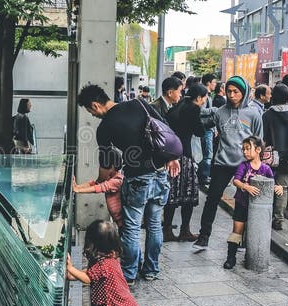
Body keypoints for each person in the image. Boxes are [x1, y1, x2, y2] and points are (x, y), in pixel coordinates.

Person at [77, 83, 180, 283]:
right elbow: (164, 128)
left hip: (137, 177)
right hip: (160, 173)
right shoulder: (139, 104)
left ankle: (130, 274)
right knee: (154, 224)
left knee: (132, 227)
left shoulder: (105, 127)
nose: (93, 114)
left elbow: (106, 164)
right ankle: (151, 270)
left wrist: (99, 181)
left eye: (90, 111)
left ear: (96, 105)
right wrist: (172, 157)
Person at [193, 76, 263, 250]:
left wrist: (256, 164)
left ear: (244, 92)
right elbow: (203, 125)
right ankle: (204, 236)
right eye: (229, 91)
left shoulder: (254, 114)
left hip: (245, 164)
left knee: (245, 201)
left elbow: (259, 140)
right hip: (222, 163)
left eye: (236, 92)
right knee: (212, 198)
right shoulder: (220, 112)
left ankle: (243, 239)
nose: (231, 95)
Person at [223, 136, 280, 269]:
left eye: (248, 149)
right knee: (237, 231)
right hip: (241, 203)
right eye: (243, 149)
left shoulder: (266, 169)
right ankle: (231, 257)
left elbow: (272, 183)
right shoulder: (244, 165)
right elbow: (235, 180)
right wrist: (246, 186)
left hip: (258, 209)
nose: (245, 152)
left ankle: (252, 257)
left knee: (254, 232)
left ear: (258, 150)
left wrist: (278, 188)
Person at [164, 83, 208, 242]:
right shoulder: (193, 109)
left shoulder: (179, 105)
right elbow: (199, 131)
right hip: (185, 156)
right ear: (198, 97)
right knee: (188, 195)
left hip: (171, 155)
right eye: (204, 97)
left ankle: (167, 230)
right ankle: (185, 230)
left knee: (172, 194)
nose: (205, 100)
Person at [262, 84, 288, 230]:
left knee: (267, 184)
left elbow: (264, 137)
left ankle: (265, 214)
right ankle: (278, 219)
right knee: (283, 187)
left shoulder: (267, 114)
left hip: (270, 155)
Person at [198, 73, 218, 186]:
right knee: (207, 154)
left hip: (208, 128)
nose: (215, 85)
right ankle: (204, 176)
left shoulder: (209, 95)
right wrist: (212, 110)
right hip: (205, 128)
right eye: (214, 82)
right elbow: (200, 110)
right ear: (208, 83)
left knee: (206, 153)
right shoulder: (204, 95)